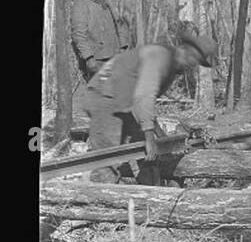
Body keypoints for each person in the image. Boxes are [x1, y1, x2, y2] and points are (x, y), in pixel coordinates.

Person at [84, 27, 217, 183]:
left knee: (148, 158)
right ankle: (99, 199)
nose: (192, 67)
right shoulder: (160, 57)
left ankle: (153, 199)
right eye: (194, 60)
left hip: (124, 104)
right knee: (109, 163)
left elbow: (145, 104)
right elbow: (144, 97)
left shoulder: (171, 67)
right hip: (104, 98)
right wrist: (150, 138)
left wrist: (161, 137)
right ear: (186, 51)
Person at [70, 0, 132, 81]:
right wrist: (89, 58)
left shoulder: (107, 0)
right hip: (97, 60)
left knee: (118, 89)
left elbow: (119, 23)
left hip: (115, 54)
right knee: (100, 92)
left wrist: (123, 46)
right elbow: (78, 35)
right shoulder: (80, 5)